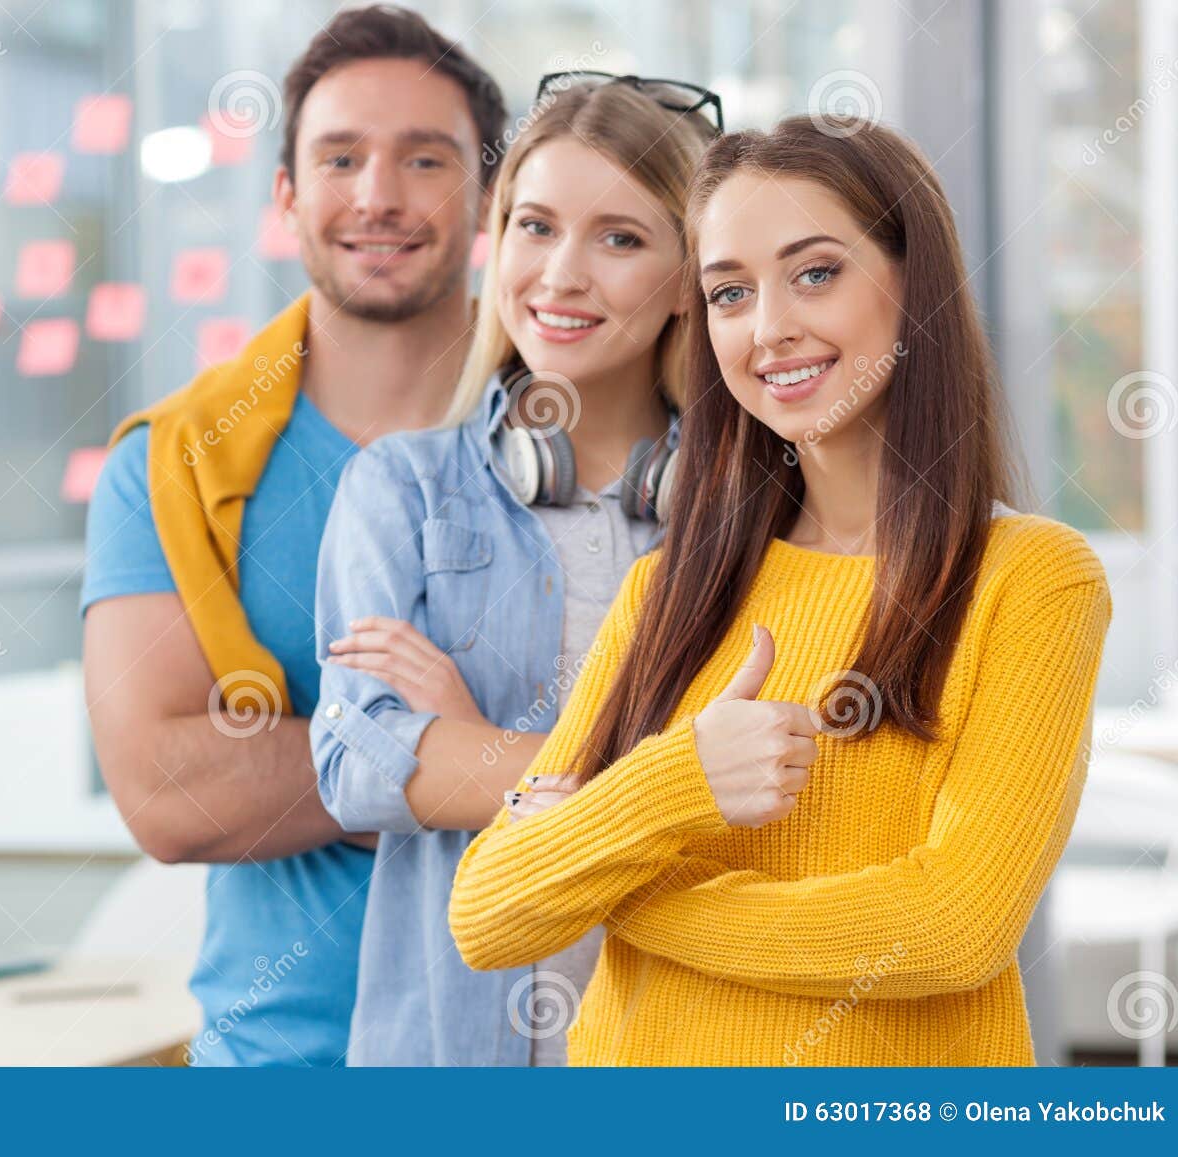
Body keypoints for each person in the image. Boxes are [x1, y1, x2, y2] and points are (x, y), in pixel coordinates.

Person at [448, 115, 1112, 1066]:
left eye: (815, 272)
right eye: (728, 292)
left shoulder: (1031, 580)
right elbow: (487, 911)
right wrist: (682, 779)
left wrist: (619, 887)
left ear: (911, 283)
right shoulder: (669, 589)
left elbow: (949, 929)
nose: (769, 329)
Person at [81, 5, 504, 1067]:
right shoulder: (173, 463)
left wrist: (332, 764)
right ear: (287, 196)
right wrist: (461, 766)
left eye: (425, 158)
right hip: (277, 1062)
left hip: (549, 1045)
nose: (378, 195)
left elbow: (650, 762)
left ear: (490, 193)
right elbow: (164, 791)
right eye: (340, 157)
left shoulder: (593, 437)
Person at [310, 75, 720, 1065]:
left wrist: (474, 747)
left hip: (670, 1046)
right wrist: (636, 783)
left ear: (684, 280)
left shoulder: (740, 517)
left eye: (620, 238)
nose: (562, 274)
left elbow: (768, 807)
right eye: (535, 227)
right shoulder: (401, 488)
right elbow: (359, 765)